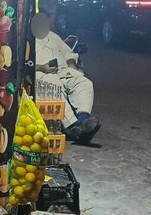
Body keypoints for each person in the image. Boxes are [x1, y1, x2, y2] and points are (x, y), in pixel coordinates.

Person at [31, 11, 100, 144]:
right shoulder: (27, 39)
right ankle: (72, 126)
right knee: (53, 85)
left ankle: (83, 120)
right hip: (42, 73)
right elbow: (24, 63)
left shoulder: (53, 36)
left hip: (64, 71)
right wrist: (41, 67)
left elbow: (69, 53)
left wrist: (71, 65)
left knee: (84, 82)